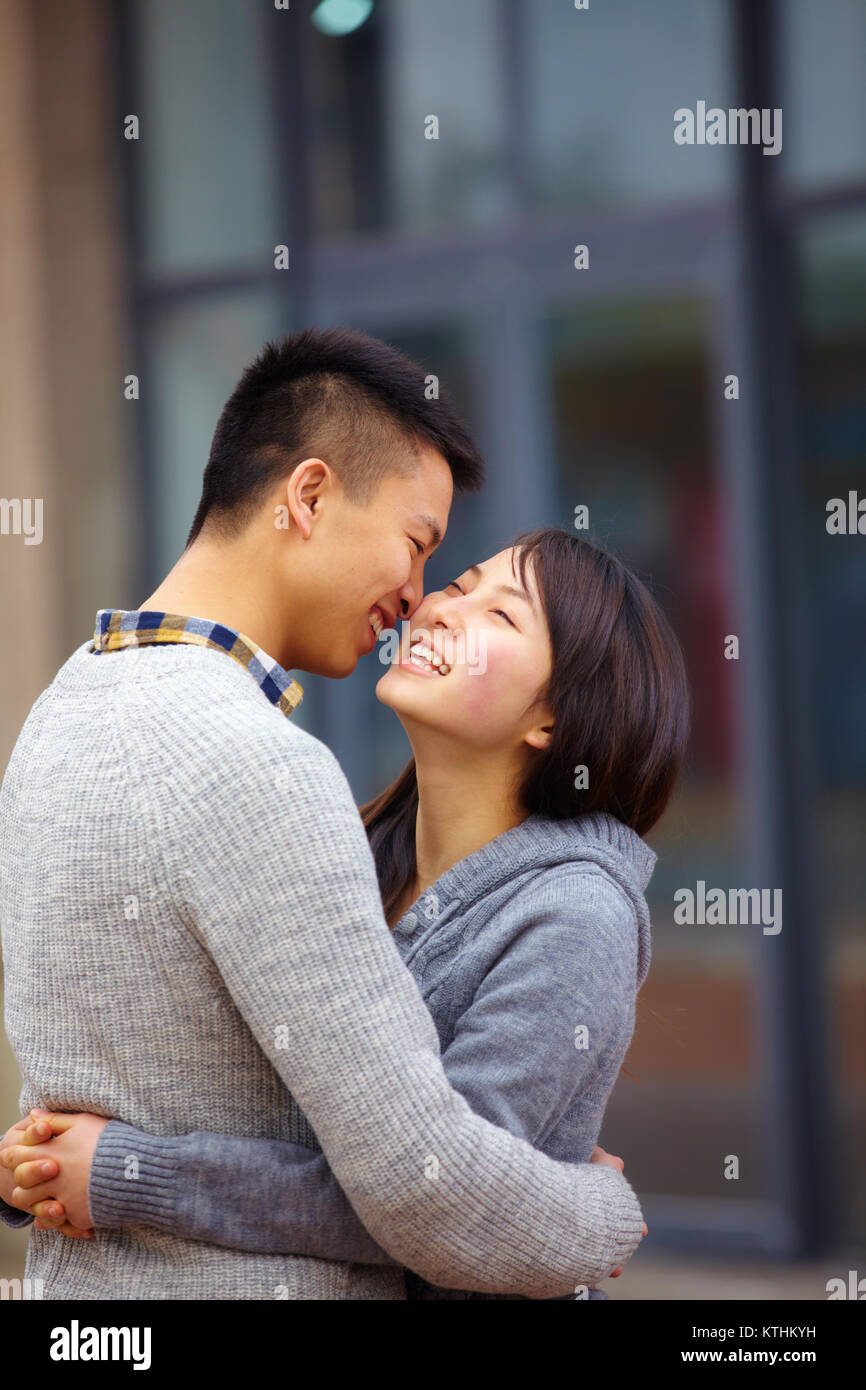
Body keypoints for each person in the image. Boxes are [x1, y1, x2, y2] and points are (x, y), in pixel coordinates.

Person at [0, 328, 648, 1300]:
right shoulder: (260, 765)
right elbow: (420, 1185)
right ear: (306, 496)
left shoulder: (56, 714)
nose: (418, 596)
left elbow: (69, 1092)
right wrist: (600, 1212)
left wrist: (65, 1169)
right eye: (419, 545)